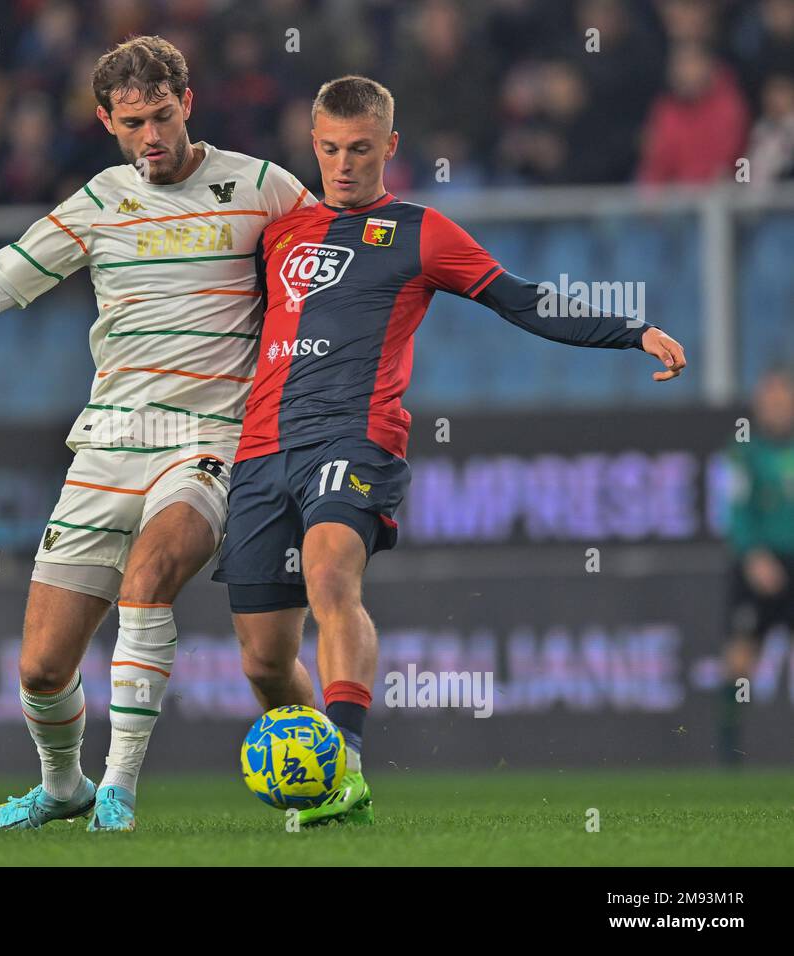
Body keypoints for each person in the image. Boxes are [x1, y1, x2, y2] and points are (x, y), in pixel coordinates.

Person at [0, 36, 312, 831]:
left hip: (208, 437)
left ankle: (118, 790)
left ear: (187, 104)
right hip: (108, 443)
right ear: (104, 120)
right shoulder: (99, 201)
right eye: (130, 124)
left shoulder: (261, 185)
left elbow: (335, 261)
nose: (149, 138)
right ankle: (63, 787)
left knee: (148, 579)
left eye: (160, 117)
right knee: (43, 667)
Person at [215, 75, 688, 826]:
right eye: (331, 149)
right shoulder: (277, 232)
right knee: (264, 659)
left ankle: (346, 764)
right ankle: (317, 775)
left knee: (331, 576)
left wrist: (631, 331)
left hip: (354, 437)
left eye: (361, 149)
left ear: (390, 147)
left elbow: (523, 297)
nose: (343, 164)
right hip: (261, 450)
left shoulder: (419, 230)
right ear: (312, 144)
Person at [719, 366, 794, 764]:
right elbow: (736, 510)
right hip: (760, 562)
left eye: (782, 401)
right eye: (769, 402)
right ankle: (728, 756)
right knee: (739, 657)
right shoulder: (745, 451)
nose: (775, 409)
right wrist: (753, 554)